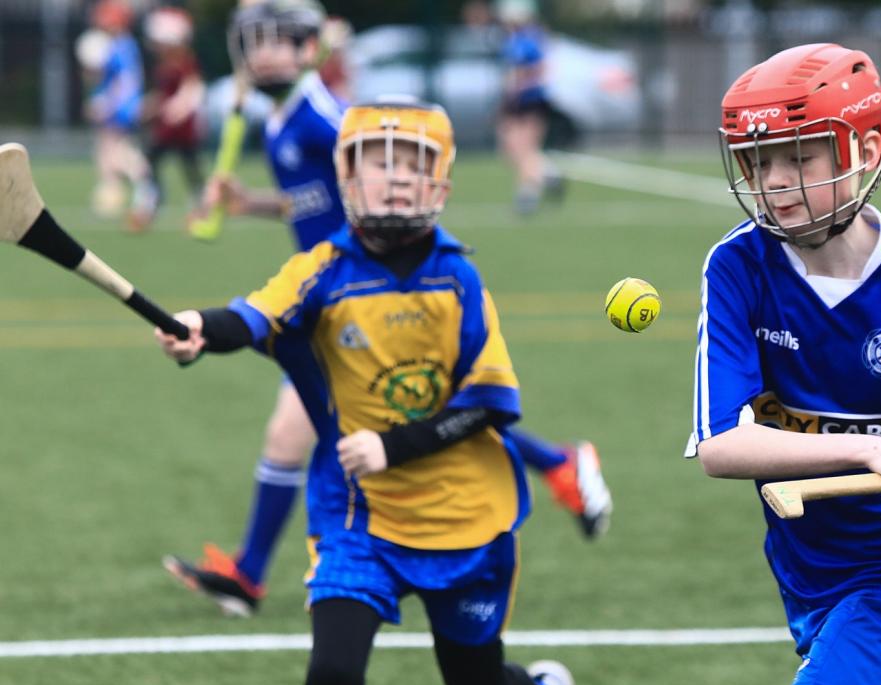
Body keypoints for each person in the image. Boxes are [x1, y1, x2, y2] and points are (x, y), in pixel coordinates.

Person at [165, 0, 610, 619]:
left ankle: (559, 463)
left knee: (393, 416)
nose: (264, 54)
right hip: (320, 298)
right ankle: (249, 573)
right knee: (305, 431)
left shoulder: (324, 120)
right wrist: (250, 203)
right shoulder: (278, 122)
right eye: (255, 42)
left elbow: (379, 190)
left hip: (360, 296)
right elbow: (314, 201)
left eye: (279, 41)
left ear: (308, 50)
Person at [155, 95, 575, 685]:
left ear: (440, 181)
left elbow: (489, 402)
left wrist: (392, 446)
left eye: (413, 164)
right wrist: (200, 327)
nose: (397, 177)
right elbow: (253, 316)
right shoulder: (321, 270)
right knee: (333, 677)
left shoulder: (459, 279)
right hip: (359, 519)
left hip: (464, 518)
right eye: (380, 162)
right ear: (348, 175)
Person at [688, 43, 881, 685]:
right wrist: (870, 450)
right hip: (803, 572)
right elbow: (721, 447)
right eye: (757, 161)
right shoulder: (737, 268)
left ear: (865, 151)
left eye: (799, 157)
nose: (773, 181)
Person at [82, 0, 156, 229]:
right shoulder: (122, 44)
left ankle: (143, 188)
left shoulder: (121, 46)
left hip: (122, 108)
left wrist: (107, 105)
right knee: (109, 150)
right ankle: (114, 191)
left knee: (119, 151)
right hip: (121, 106)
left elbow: (123, 83)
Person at [134, 6, 205, 231]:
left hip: (183, 128)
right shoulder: (163, 65)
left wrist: (179, 108)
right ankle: (151, 200)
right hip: (164, 128)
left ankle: (200, 206)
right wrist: (150, 105)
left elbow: (193, 89)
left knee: (191, 168)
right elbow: (163, 94)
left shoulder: (185, 63)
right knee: (150, 161)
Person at [494, 0, 564, 215]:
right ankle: (550, 173)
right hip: (517, 100)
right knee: (510, 149)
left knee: (525, 149)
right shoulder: (513, 39)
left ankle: (527, 194)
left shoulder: (528, 38)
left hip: (529, 100)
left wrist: (517, 89)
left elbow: (535, 70)